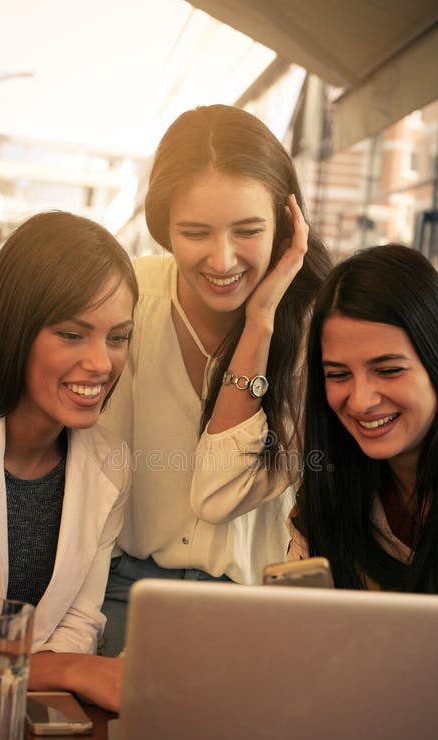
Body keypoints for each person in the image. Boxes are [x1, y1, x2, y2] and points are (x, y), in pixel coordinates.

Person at [101, 104, 332, 650]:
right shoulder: (127, 300)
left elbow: (218, 497)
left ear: (285, 224)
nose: (221, 259)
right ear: (164, 228)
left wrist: (259, 325)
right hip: (125, 596)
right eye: (195, 232)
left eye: (248, 230)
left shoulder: (312, 329)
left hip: (256, 607)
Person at [0, 210, 138, 710]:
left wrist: (59, 676)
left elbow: (78, 626)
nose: (102, 363)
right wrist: (72, 670)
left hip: (33, 728)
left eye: (118, 337)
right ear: (13, 330)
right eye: (72, 334)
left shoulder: (110, 464)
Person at [289, 243, 438, 598]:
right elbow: (296, 633)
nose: (362, 401)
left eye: (389, 370)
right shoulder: (326, 493)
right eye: (338, 375)